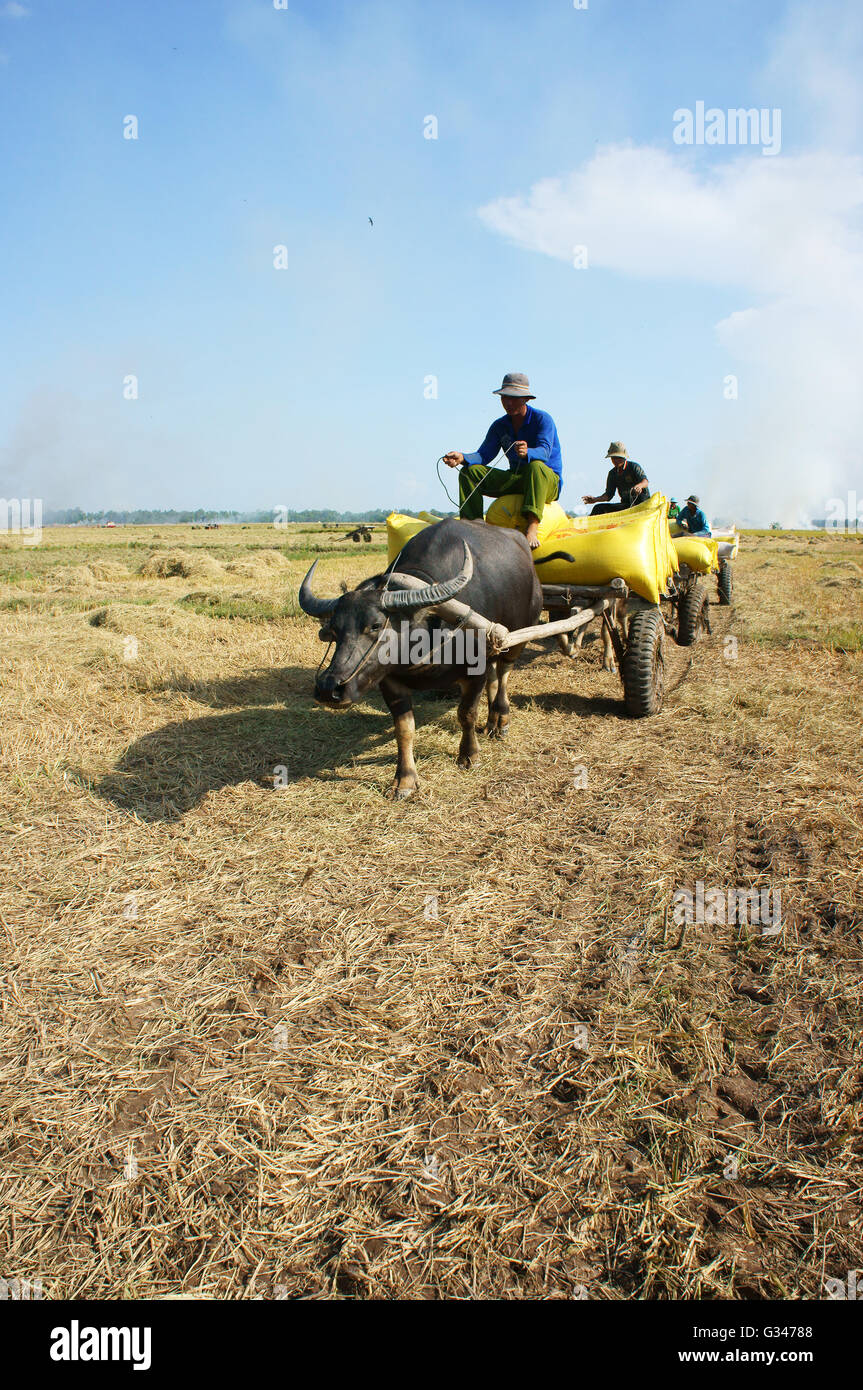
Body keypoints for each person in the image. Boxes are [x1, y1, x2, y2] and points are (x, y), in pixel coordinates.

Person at [442, 372, 562, 549]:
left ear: (526, 399)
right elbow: (484, 455)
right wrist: (463, 458)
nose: (509, 403)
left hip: (545, 482)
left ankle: (532, 527)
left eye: (514, 398)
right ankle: (472, 528)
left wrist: (528, 452)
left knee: (535, 466)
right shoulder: (500, 425)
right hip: (516, 479)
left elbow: (544, 452)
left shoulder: (543, 419)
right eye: (505, 398)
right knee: (470, 471)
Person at [582, 443, 649, 516]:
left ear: (623, 457)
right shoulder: (612, 474)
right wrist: (595, 499)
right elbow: (608, 496)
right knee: (598, 508)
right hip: (626, 505)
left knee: (641, 498)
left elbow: (645, 481)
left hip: (642, 504)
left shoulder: (633, 467)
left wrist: (639, 486)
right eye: (613, 458)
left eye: (618, 458)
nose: (615, 460)